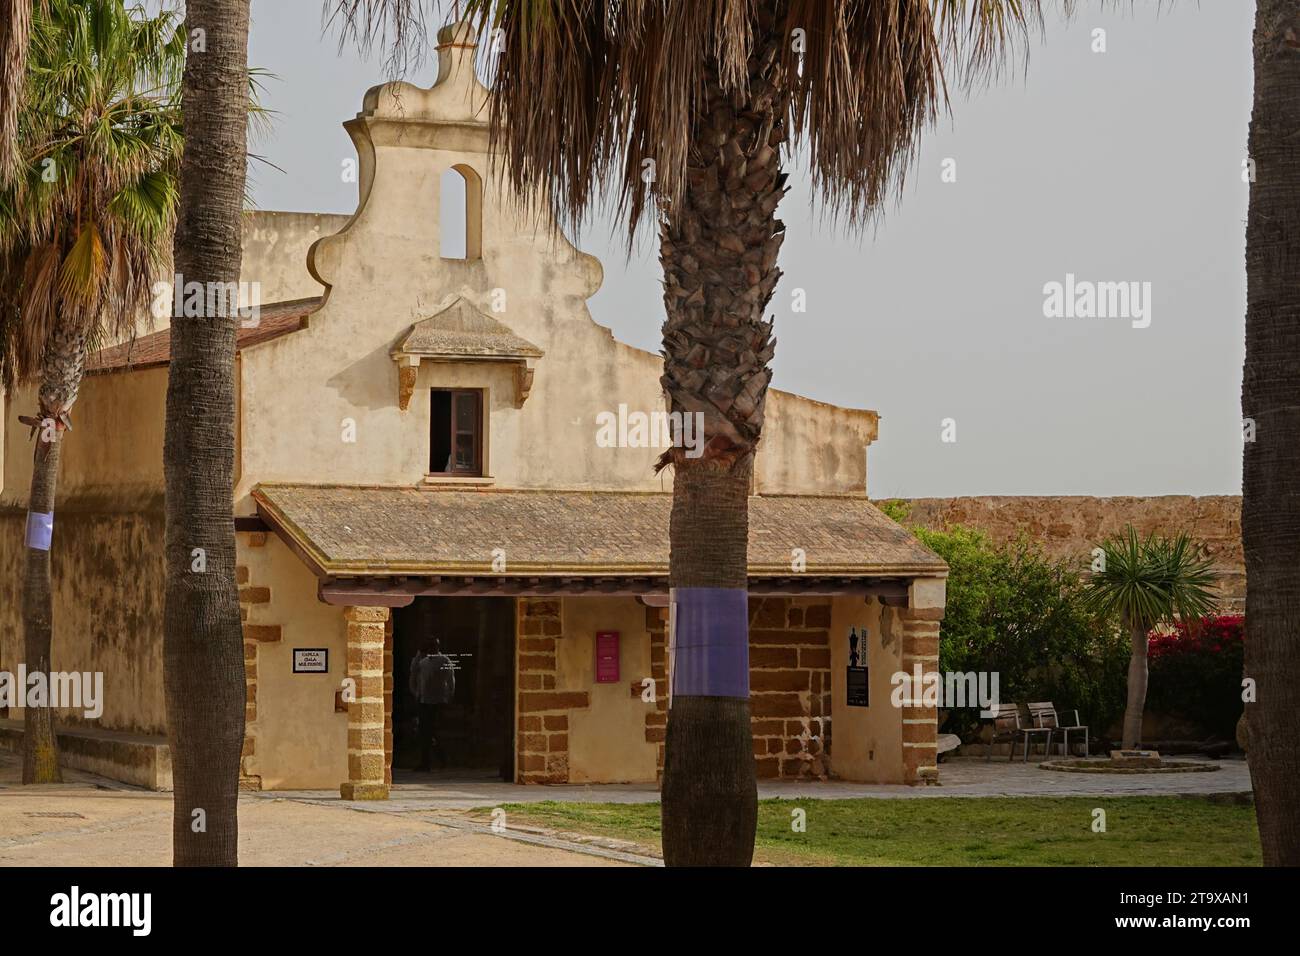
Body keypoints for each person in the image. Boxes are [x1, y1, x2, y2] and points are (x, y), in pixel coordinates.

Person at [409, 638, 455, 771]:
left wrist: (449, 696)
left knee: (432, 732)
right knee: (425, 732)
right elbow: (416, 674)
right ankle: (429, 761)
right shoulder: (424, 662)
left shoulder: (444, 660)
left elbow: (450, 681)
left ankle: (439, 760)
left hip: (437, 701)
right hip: (425, 701)